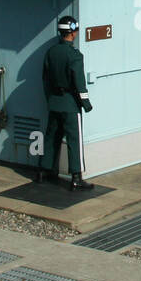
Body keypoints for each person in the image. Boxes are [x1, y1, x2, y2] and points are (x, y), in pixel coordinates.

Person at [36, 15, 95, 192]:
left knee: (51, 136)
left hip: (54, 102)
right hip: (70, 103)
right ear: (73, 32)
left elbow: (45, 79)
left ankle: (44, 170)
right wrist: (86, 103)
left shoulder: (51, 52)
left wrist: (50, 99)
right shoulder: (74, 55)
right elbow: (79, 82)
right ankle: (76, 177)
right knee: (74, 140)